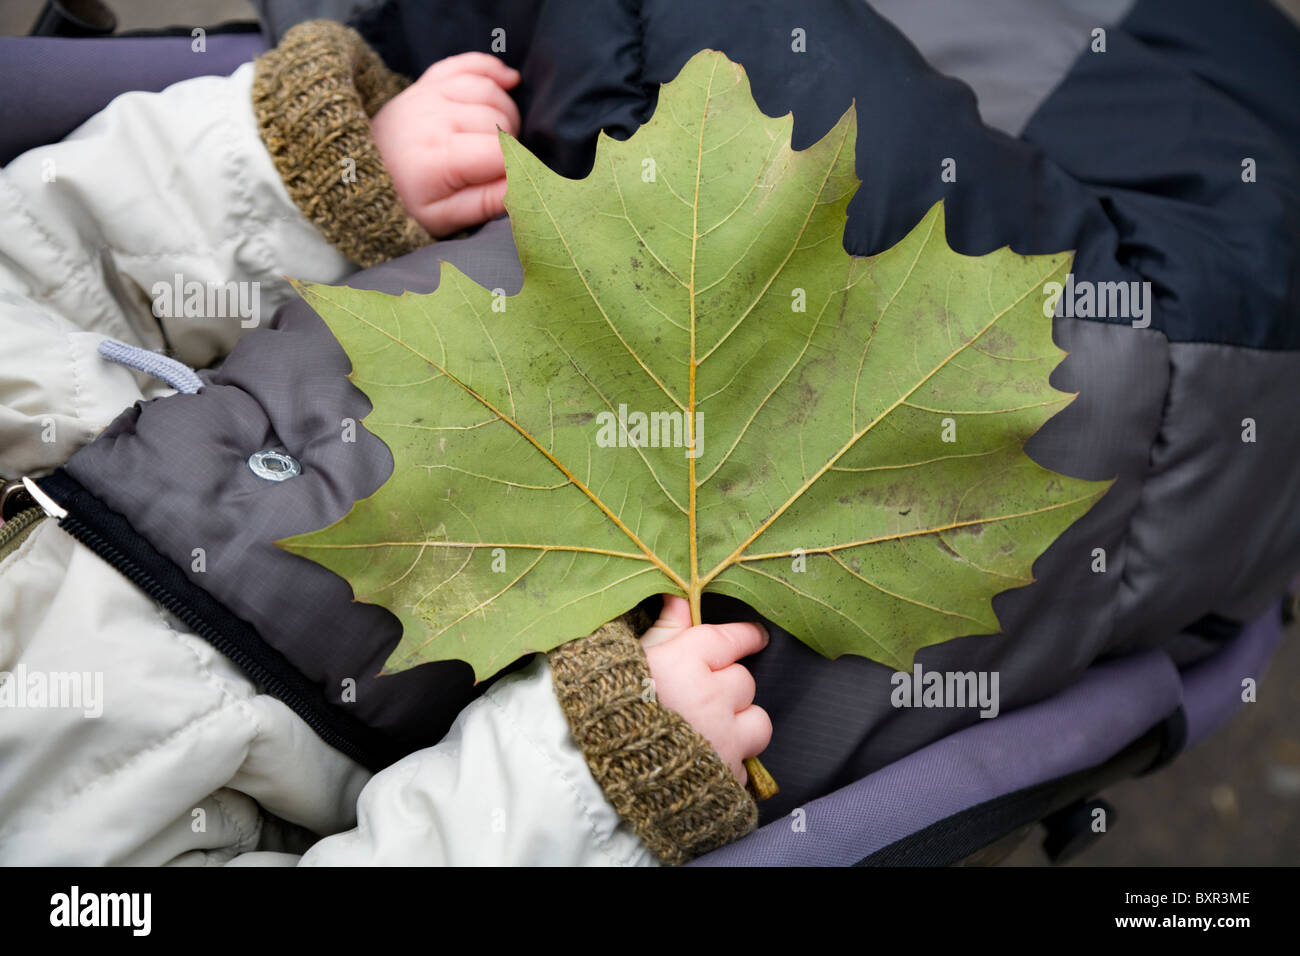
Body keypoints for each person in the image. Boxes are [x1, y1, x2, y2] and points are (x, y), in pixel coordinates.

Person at [0, 19, 770, 866]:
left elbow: (42, 258)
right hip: (557, 619)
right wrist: (584, 776)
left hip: (423, 292)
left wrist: (310, 187)